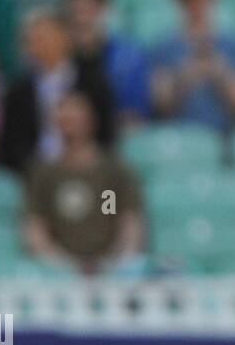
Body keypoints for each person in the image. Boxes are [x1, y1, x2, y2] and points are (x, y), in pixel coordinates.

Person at [22, 91, 146, 278]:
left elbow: (127, 223)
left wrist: (114, 262)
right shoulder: (45, 174)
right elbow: (36, 228)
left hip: (108, 269)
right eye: (64, 120)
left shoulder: (111, 172)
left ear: (91, 121)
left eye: (75, 119)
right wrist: (62, 265)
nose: (70, 126)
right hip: (59, 272)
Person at [0, 8, 116, 173]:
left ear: (65, 38)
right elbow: (11, 144)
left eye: (43, 38)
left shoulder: (92, 82)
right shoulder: (18, 91)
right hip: (36, 174)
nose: (36, 45)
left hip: (86, 171)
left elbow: (106, 132)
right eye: (32, 40)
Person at [150, 0, 235, 133]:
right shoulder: (164, 47)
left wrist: (220, 72)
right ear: (179, 1)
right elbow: (162, 103)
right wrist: (185, 76)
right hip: (180, 135)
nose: (196, 4)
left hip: (227, 134)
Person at [64, 0, 153, 125]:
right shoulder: (59, 54)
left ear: (103, 5)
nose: (82, 7)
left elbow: (134, 113)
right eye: (77, 0)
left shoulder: (128, 57)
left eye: (90, 0)